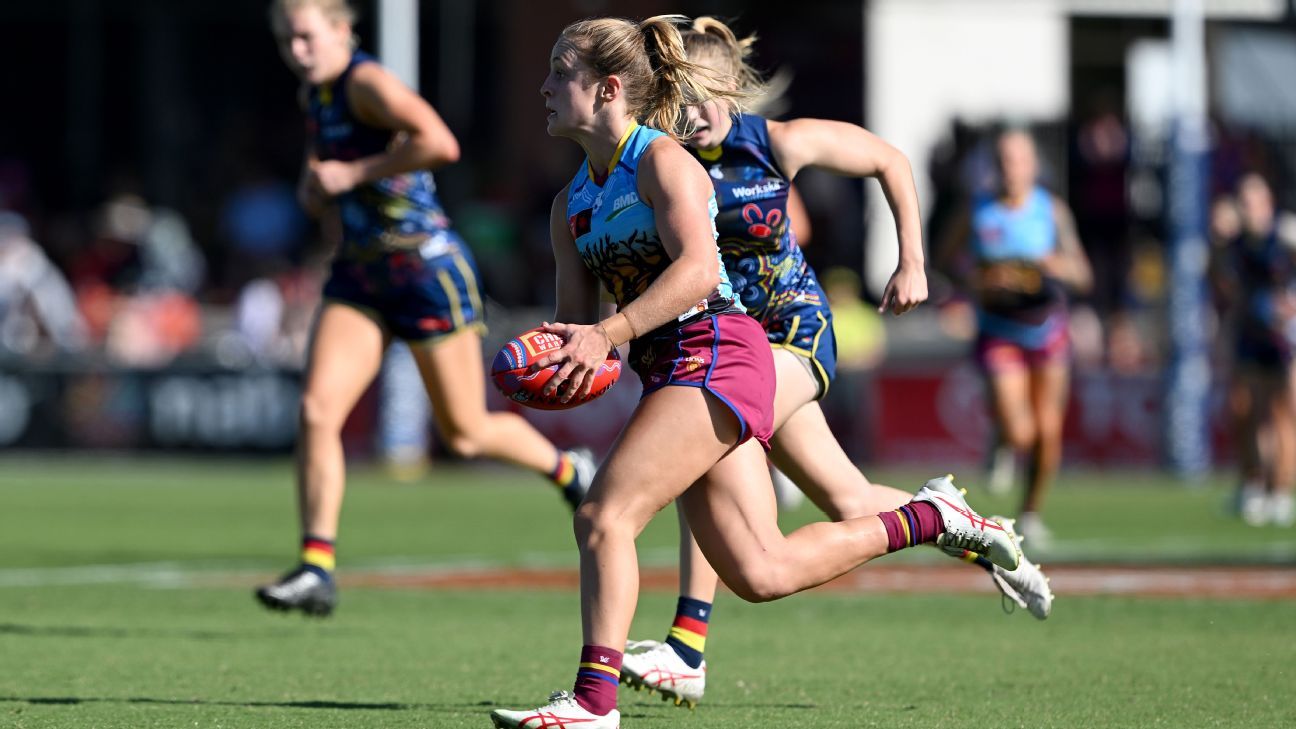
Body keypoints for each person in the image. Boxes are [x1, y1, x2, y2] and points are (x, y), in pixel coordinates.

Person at [489, 16, 1020, 729]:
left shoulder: (662, 162)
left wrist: (608, 331)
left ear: (610, 88)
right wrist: (565, 361)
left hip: (720, 350)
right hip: (673, 366)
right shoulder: (570, 208)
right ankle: (929, 516)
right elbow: (585, 334)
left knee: (603, 515)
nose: (544, 86)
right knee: (761, 570)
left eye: (561, 71)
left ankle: (594, 702)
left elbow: (701, 270)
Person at [615, 18, 1056, 709]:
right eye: (675, 100)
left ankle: (686, 646)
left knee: (697, 441)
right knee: (849, 501)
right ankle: (967, 528)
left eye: (700, 97)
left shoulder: (775, 144)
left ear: (732, 90)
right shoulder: (664, 160)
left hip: (794, 335)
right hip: (733, 347)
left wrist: (911, 259)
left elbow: (890, 160)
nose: (688, 115)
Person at [256, 0, 595, 617]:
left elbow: (440, 142)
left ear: (339, 30)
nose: (297, 53)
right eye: (286, 42)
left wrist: (352, 172)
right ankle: (316, 566)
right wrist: (319, 189)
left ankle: (568, 470)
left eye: (305, 38)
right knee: (315, 410)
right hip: (361, 272)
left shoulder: (365, 81)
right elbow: (334, 186)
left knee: (465, 433)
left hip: (424, 269)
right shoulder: (317, 96)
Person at [935, 128, 1093, 545]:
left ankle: (1031, 512)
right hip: (998, 329)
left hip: (1046, 328)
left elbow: (1083, 273)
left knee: (1048, 431)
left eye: (1019, 160)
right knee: (1021, 429)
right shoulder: (978, 210)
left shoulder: (1051, 211)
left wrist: (1054, 266)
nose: (1012, 169)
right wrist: (979, 278)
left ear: (1034, 166)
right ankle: (1003, 440)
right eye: (1004, 160)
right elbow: (946, 259)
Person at [1212, 174, 1296, 527]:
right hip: (1249, 335)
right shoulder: (1235, 244)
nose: (1248, 210)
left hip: (1283, 337)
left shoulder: (1286, 235)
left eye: (1254, 202)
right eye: (1243, 203)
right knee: (1243, 411)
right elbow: (1222, 283)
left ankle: (1280, 493)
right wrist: (1217, 240)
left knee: (1281, 416)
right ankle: (1253, 485)